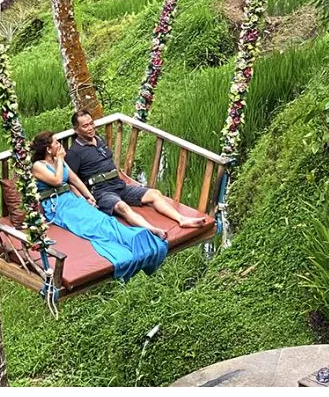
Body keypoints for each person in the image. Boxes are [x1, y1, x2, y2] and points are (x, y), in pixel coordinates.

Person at [30, 131, 167, 282]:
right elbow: (56, 181)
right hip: (58, 205)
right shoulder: (38, 165)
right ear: (48, 149)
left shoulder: (59, 161)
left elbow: (74, 180)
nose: (60, 145)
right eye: (56, 143)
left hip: (72, 199)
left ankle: (136, 237)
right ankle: (127, 245)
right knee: (92, 226)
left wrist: (89, 196)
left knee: (103, 219)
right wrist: (61, 160)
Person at [65, 110, 207, 234]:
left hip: (119, 185)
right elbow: (71, 181)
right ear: (76, 130)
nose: (90, 128)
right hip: (101, 192)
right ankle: (152, 229)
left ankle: (181, 219)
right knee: (122, 207)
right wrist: (86, 199)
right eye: (85, 126)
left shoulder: (98, 139)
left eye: (91, 123)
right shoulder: (74, 152)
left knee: (154, 193)